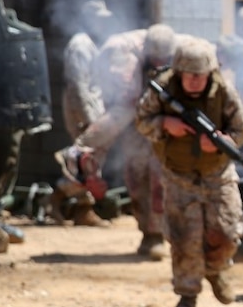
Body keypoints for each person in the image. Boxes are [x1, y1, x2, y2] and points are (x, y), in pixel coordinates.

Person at [134, 38, 243, 307]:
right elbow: (141, 121)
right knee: (184, 238)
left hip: (217, 174)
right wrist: (164, 124)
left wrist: (225, 141)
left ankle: (216, 271)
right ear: (178, 73)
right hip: (179, 175)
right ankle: (188, 297)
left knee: (226, 233)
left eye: (200, 76)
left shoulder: (223, 91)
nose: (194, 81)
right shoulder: (162, 90)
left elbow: (242, 129)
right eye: (189, 76)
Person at [67, 23, 178, 259]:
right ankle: (147, 234)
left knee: (160, 181)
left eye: (163, 60)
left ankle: (158, 234)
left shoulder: (183, 53)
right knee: (137, 177)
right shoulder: (121, 52)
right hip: (133, 122)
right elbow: (121, 104)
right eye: (154, 59)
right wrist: (88, 142)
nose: (158, 65)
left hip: (165, 125)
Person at [50, 0, 116, 227]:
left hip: (92, 110)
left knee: (90, 164)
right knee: (85, 162)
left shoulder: (90, 44)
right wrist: (88, 119)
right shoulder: (80, 45)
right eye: (99, 19)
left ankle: (83, 211)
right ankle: (53, 199)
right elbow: (77, 85)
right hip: (82, 112)